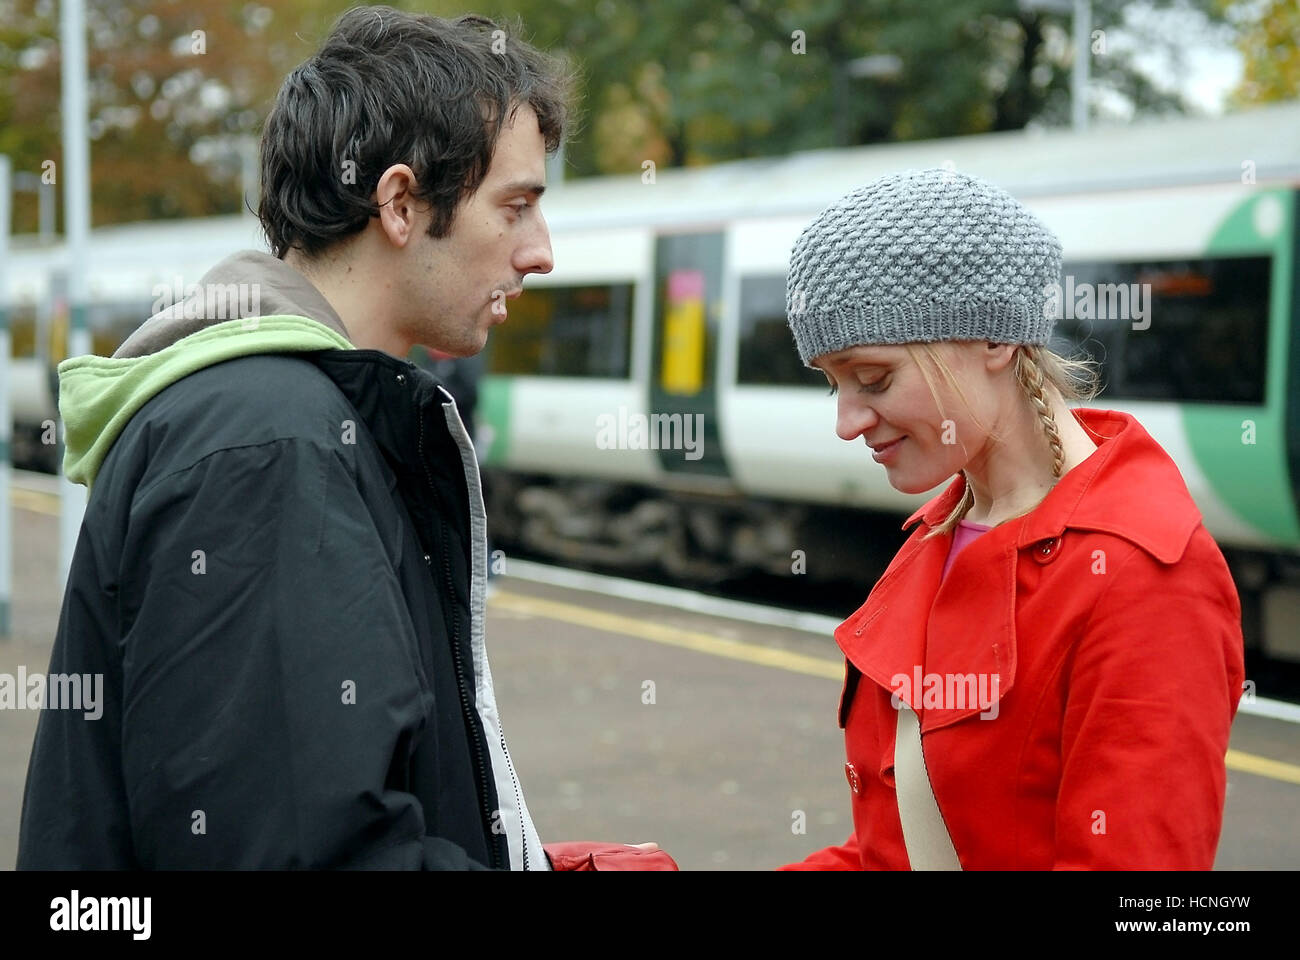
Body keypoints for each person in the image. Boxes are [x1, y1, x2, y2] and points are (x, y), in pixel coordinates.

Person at [19, 6, 674, 872]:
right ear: (400, 202)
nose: (540, 252)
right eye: (515, 207)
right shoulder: (271, 448)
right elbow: (303, 851)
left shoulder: (291, 418)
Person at [778, 168, 1245, 870]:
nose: (847, 422)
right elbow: (892, 852)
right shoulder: (941, 531)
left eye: (873, 378)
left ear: (993, 340)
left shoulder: (1144, 577)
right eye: (832, 383)